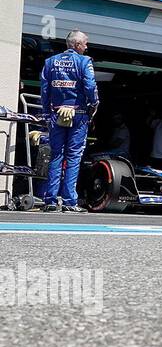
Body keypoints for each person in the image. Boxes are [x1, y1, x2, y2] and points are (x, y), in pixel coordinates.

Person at [39, 30, 99, 212]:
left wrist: (46, 113)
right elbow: (90, 86)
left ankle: (50, 200)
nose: (87, 47)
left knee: (56, 155)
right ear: (77, 44)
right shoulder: (84, 61)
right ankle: (69, 202)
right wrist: (94, 102)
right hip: (78, 113)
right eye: (85, 43)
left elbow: (44, 90)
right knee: (73, 157)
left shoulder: (50, 62)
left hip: (56, 113)